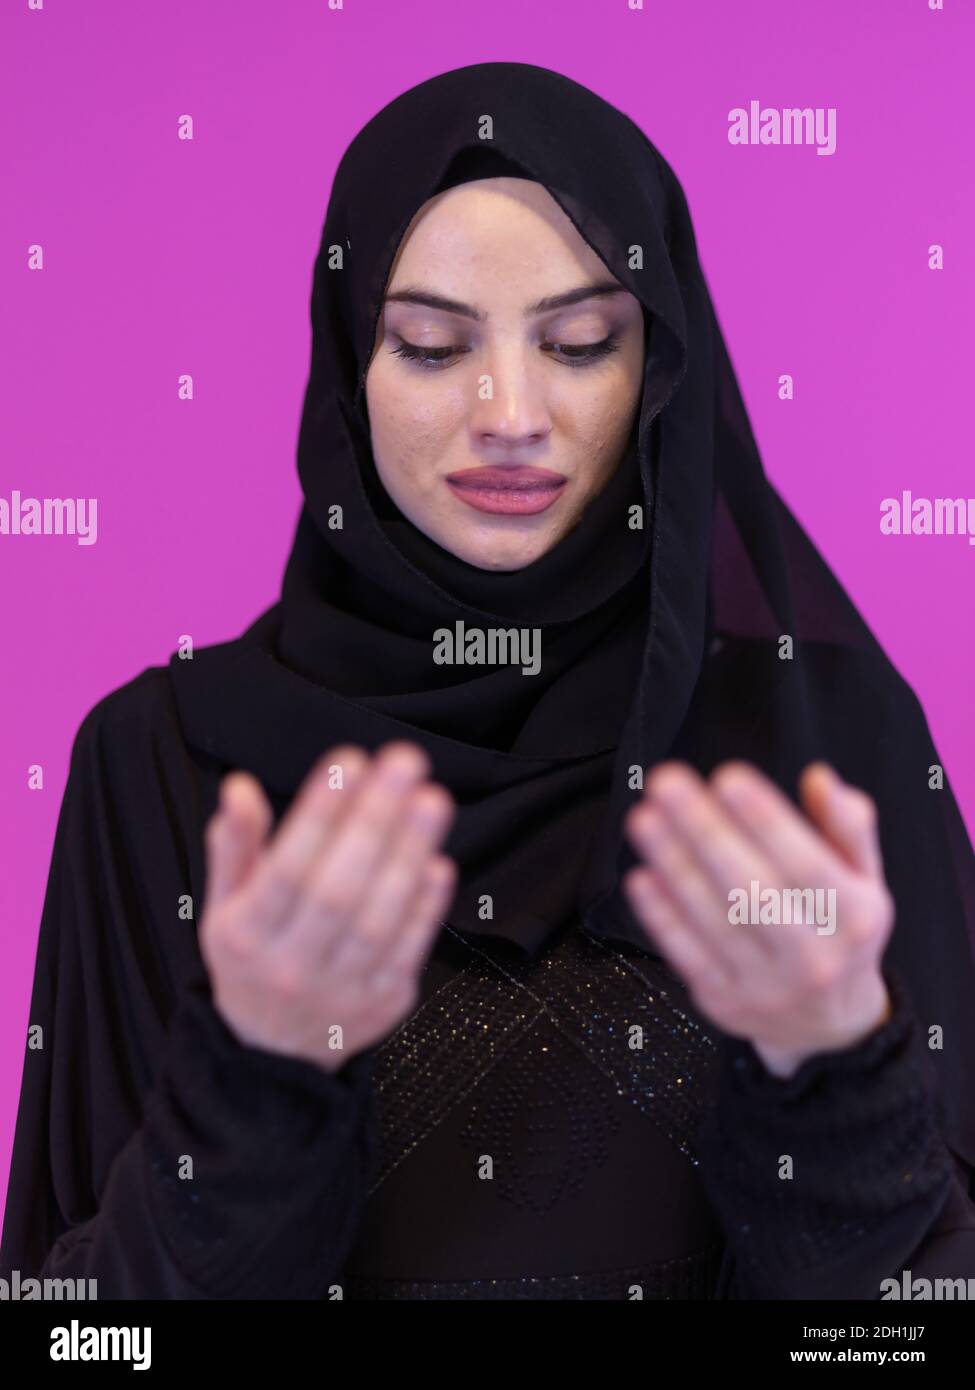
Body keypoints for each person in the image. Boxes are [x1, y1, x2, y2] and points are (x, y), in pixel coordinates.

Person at [2, 60, 974, 1302]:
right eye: (428, 343)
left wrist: (837, 1068)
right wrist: (253, 1080)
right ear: (350, 367)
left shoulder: (820, 747)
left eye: (579, 343)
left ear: (663, 369)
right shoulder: (162, 760)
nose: (509, 410)